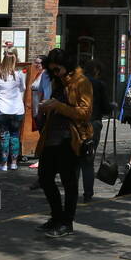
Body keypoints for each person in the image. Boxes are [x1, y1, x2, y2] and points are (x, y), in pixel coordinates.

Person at [35, 48, 94, 237]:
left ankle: (66, 222)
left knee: (69, 182)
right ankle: (56, 216)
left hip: (70, 139)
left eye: (57, 69)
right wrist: (47, 108)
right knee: (44, 178)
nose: (54, 73)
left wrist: (57, 106)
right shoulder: (56, 81)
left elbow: (85, 112)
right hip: (51, 137)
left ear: (67, 67)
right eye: (51, 70)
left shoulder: (81, 82)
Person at [79, 57, 110, 201]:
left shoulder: (77, 83)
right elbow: (105, 108)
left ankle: (72, 190)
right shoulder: (99, 85)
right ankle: (88, 193)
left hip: (77, 124)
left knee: (74, 159)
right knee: (88, 160)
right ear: (97, 71)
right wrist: (112, 106)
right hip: (93, 125)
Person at [0, 51, 27, 171]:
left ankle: (3, 164)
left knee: (4, 136)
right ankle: (13, 163)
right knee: (15, 135)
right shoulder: (19, 75)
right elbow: (23, 88)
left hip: (2, 109)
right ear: (15, 61)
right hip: (17, 109)